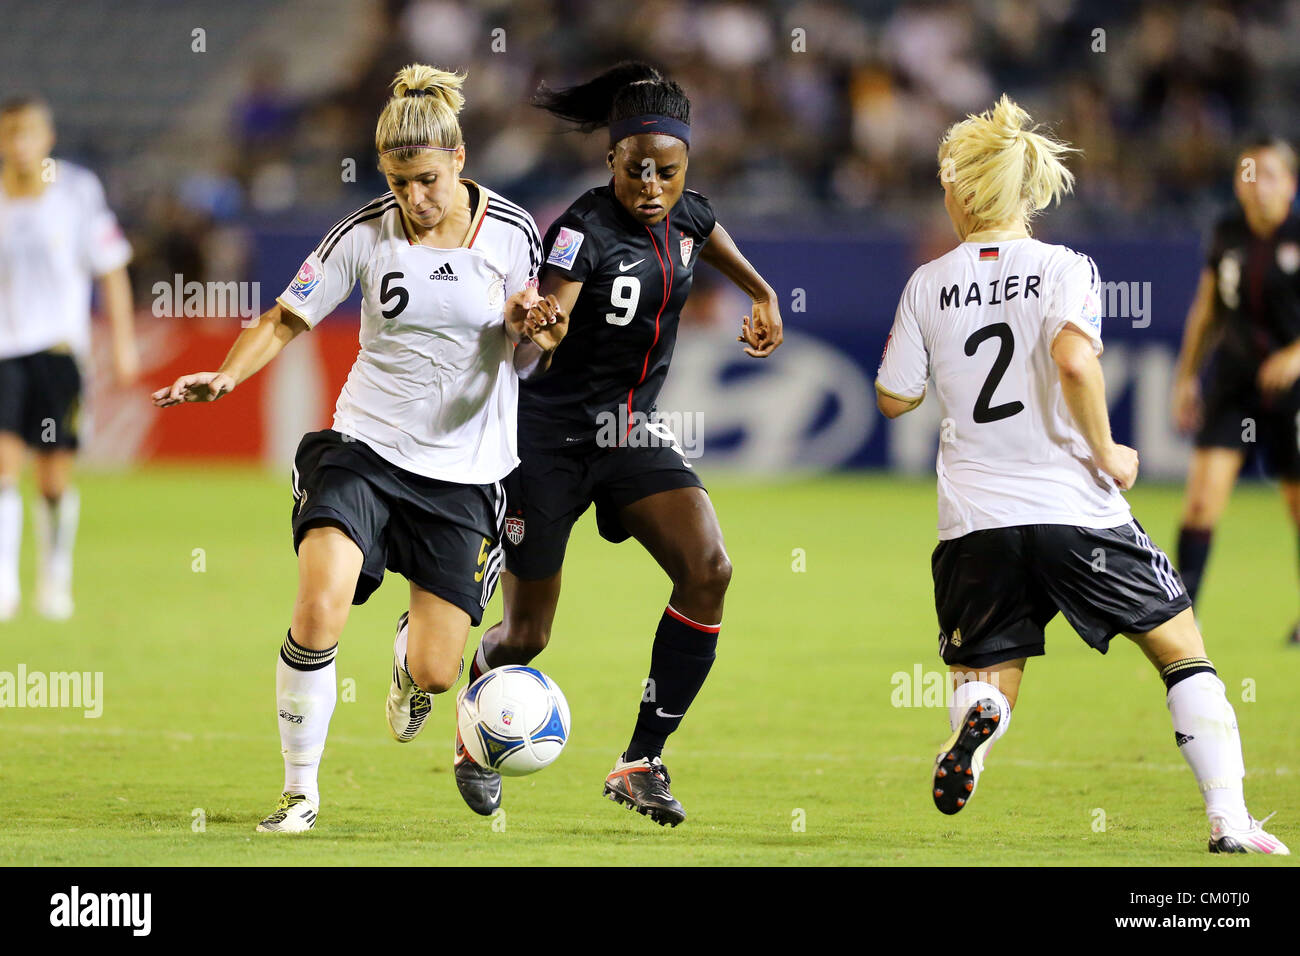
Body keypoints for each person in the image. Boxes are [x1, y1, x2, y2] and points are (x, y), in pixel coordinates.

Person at [153, 65, 565, 833]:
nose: (414, 198)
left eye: (428, 180)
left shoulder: (512, 232)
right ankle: (300, 790)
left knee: (442, 672)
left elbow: (528, 355)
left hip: (466, 475)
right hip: (364, 452)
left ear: (462, 160)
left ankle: (412, 663)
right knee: (320, 608)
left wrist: (529, 332)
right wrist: (227, 375)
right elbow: (285, 316)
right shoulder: (365, 233)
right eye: (400, 181)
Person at [875, 95, 1287, 854]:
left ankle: (982, 724)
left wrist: (949, 365)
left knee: (984, 675)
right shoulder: (1065, 267)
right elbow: (1072, 360)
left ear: (964, 192)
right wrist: (1107, 450)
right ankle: (1228, 817)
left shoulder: (928, 283)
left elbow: (894, 397)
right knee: (1181, 653)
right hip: (1076, 510)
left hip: (975, 523)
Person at [439, 62, 783, 827]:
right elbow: (546, 323)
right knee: (527, 633)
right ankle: (475, 733)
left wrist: (760, 292)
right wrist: (542, 330)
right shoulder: (581, 230)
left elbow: (708, 232)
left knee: (710, 570)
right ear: (610, 162)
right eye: (636, 170)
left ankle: (640, 760)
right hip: (549, 440)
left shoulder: (689, 214)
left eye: (669, 169)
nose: (653, 185)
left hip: (628, 432)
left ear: (688, 165)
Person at [0, 95, 137, 621]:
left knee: (53, 478)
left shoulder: (77, 193)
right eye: (10, 134)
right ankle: (6, 584)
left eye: (28, 133)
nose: (19, 144)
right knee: (5, 466)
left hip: (59, 352)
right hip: (6, 353)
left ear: (46, 138)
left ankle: (54, 579)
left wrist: (122, 343)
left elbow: (112, 267)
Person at [1171, 136, 1300, 644]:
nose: (1256, 185)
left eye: (1268, 174)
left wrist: (1295, 355)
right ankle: (1184, 619)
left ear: (1290, 184)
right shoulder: (1227, 232)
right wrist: (1186, 377)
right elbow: (1207, 309)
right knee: (1202, 502)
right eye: (1247, 173)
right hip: (1234, 383)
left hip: (1294, 393)